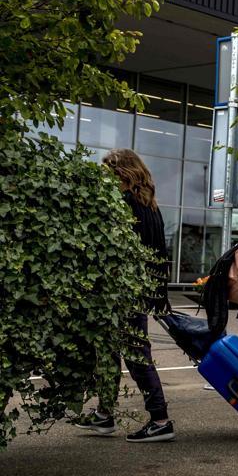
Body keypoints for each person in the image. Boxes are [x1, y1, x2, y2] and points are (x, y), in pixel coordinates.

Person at [76, 148, 175, 442]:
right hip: (135, 290)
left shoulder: (128, 205)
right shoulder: (149, 205)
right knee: (109, 353)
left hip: (127, 292)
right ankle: (105, 415)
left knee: (135, 354)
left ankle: (160, 420)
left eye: (108, 173)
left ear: (122, 173)